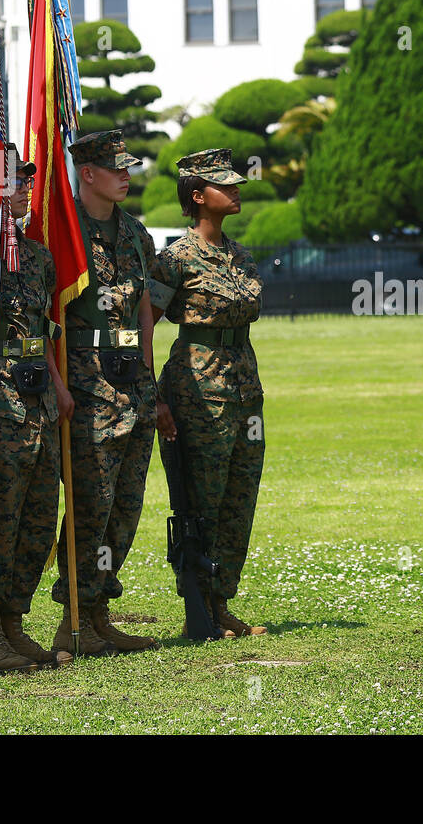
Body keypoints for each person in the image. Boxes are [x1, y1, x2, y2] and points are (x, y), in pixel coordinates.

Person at [149, 149, 267, 639]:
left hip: (243, 385)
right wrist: (152, 396)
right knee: (202, 497)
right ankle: (197, 604)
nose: (236, 189)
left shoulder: (240, 255)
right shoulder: (175, 257)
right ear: (197, 197)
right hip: (196, 388)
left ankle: (223, 600)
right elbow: (144, 323)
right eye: (224, 185)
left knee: (240, 495)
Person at [50, 130, 158, 656]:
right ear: (86, 172)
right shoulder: (60, 231)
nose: (126, 175)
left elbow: (144, 316)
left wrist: (150, 380)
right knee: (91, 502)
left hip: (131, 379)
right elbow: (47, 314)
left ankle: (98, 614)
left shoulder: (137, 234)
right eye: (115, 168)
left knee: (125, 505)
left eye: (128, 167)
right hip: (85, 377)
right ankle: (73, 615)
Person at [0, 146, 73, 671]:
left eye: (31, 177)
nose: (28, 185)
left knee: (37, 520)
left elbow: (41, 327)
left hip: (38, 405)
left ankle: (14, 622)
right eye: (16, 178)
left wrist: (57, 385)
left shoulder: (36, 255)